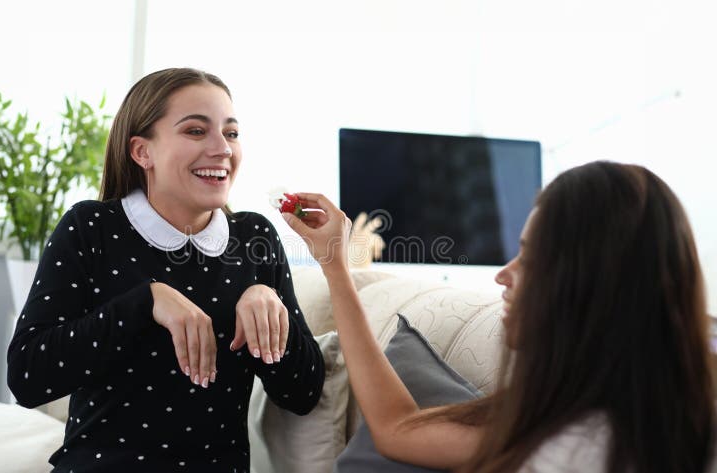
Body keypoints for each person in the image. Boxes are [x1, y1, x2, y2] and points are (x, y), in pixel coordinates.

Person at [282, 161, 716, 473]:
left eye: (529, 257)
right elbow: (397, 430)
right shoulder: (562, 410)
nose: (503, 275)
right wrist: (335, 264)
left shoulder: (570, 453)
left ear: (590, 282)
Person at [7, 68, 325, 473]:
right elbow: (28, 377)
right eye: (196, 131)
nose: (222, 148)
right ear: (142, 152)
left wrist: (269, 304)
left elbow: (303, 394)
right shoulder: (90, 228)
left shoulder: (253, 238)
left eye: (230, 133)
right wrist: (145, 302)